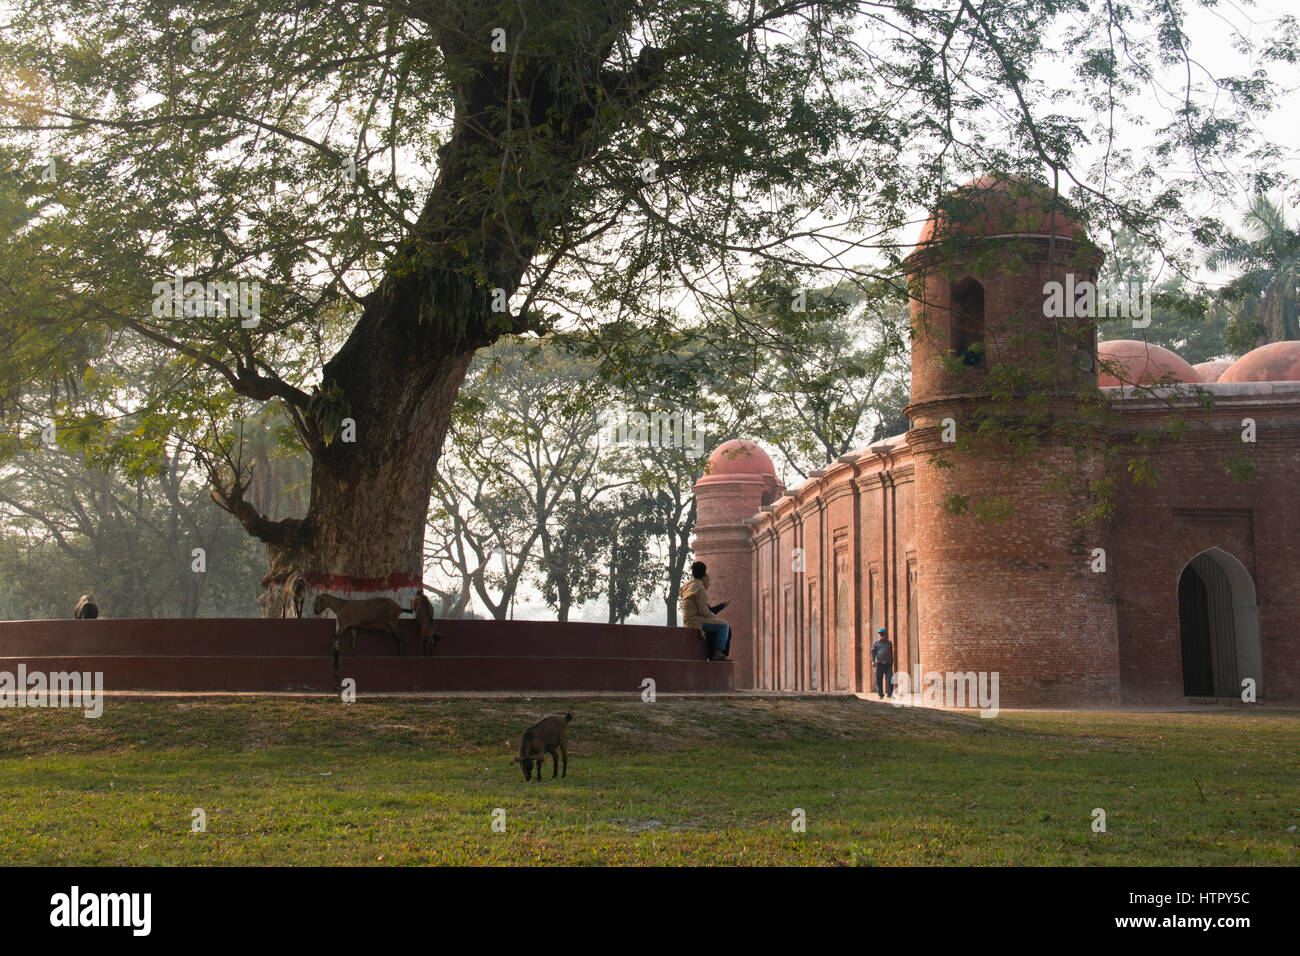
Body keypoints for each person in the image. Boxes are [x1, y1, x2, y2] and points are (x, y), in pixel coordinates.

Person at [680, 561, 732, 662]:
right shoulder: (699, 588)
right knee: (724, 625)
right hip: (696, 621)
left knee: (718, 624)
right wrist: (715, 618)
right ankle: (718, 653)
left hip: (688, 620)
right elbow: (704, 611)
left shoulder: (687, 585)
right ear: (704, 573)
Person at [870, 628, 893, 699]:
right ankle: (880, 694)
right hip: (879, 664)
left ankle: (889, 694)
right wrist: (873, 661)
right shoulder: (876, 643)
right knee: (879, 680)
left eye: (882, 634)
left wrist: (892, 660)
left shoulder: (889, 643)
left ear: (885, 635)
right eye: (880, 634)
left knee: (890, 679)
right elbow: (873, 652)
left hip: (888, 664)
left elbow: (891, 652)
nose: (881, 635)